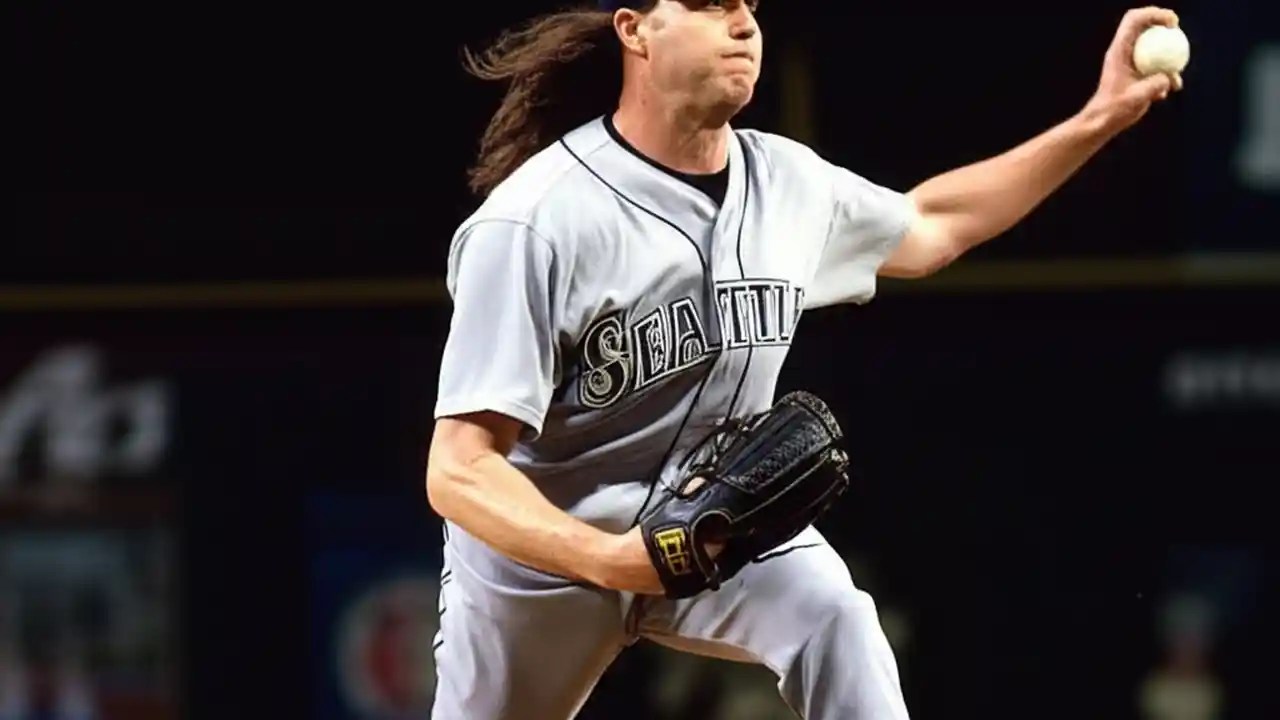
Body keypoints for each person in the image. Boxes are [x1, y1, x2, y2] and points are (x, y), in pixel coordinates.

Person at [424, 1, 1182, 718]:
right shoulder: (535, 221)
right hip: (544, 559)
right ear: (636, 29)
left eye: (749, 7)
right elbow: (458, 469)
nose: (743, 26)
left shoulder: (786, 182)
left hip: (710, 517)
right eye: (712, 4)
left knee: (835, 618)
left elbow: (935, 223)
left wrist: (1100, 117)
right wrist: (608, 558)